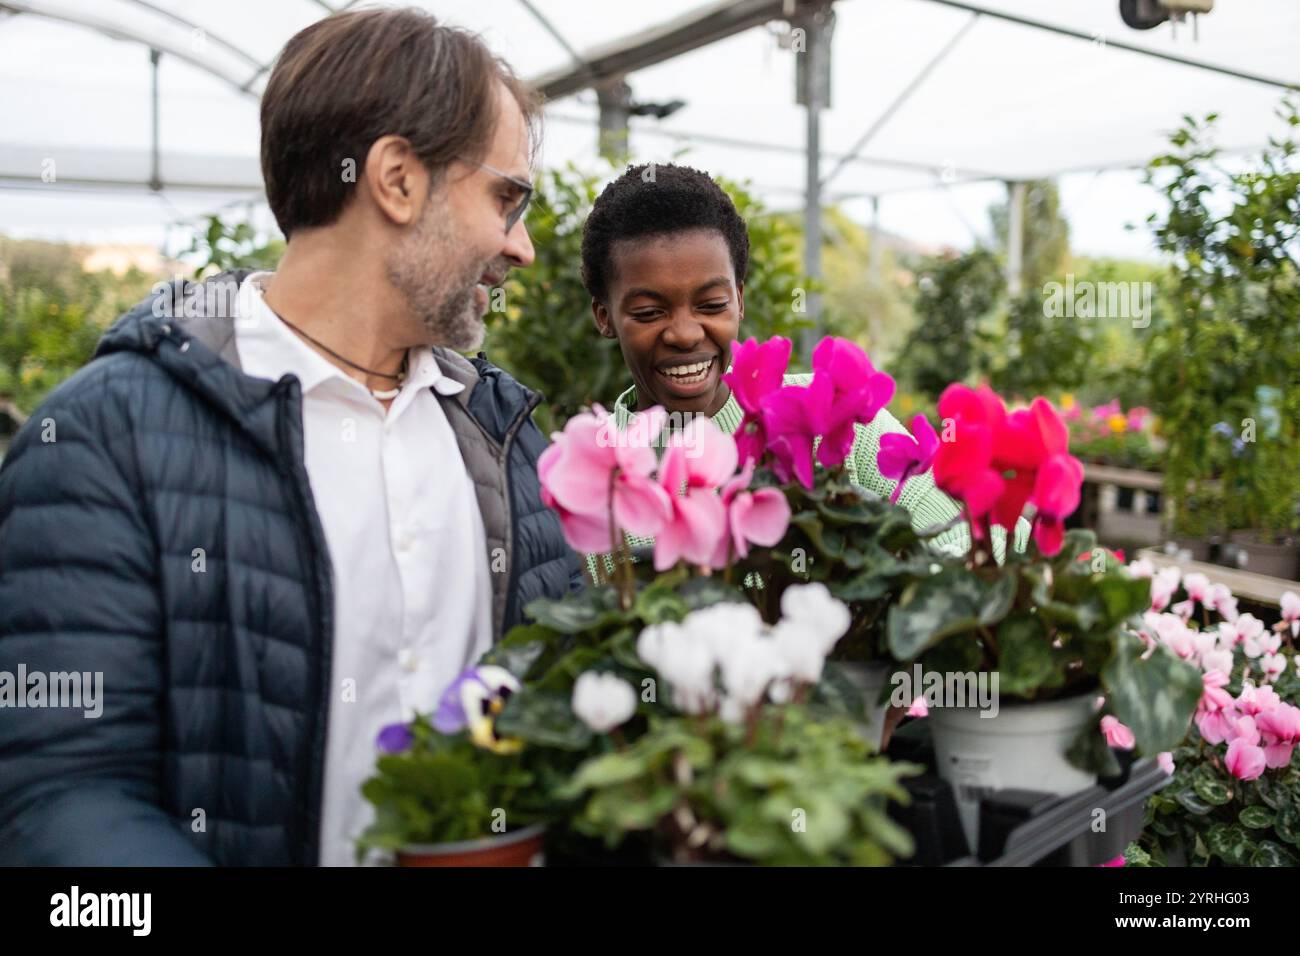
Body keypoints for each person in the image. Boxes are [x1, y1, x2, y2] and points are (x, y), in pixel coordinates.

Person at [0, 8, 578, 866]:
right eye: (508, 197)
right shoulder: (103, 440)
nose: (522, 247)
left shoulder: (507, 440)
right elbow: (58, 802)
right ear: (396, 179)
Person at [580, 163, 1027, 573]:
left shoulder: (829, 412)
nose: (684, 333)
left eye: (711, 304)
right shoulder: (592, 475)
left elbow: (965, 537)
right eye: (648, 312)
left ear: (739, 300)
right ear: (604, 316)